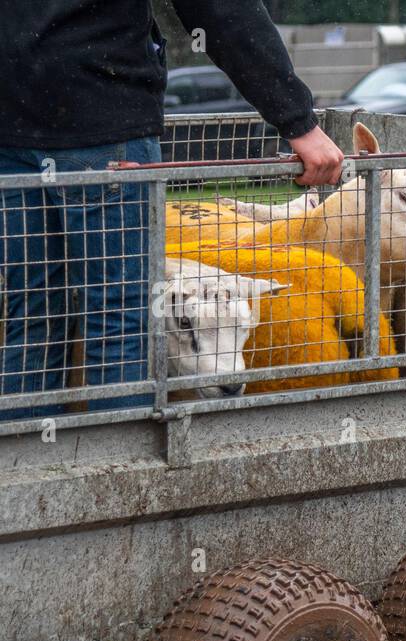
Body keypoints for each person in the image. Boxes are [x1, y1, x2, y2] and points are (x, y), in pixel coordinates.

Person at [0, 0, 343, 421]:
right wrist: (298, 121)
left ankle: (23, 468)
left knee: (33, 310)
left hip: (12, 130)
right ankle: (121, 467)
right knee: (117, 317)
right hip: (101, 122)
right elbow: (220, 9)